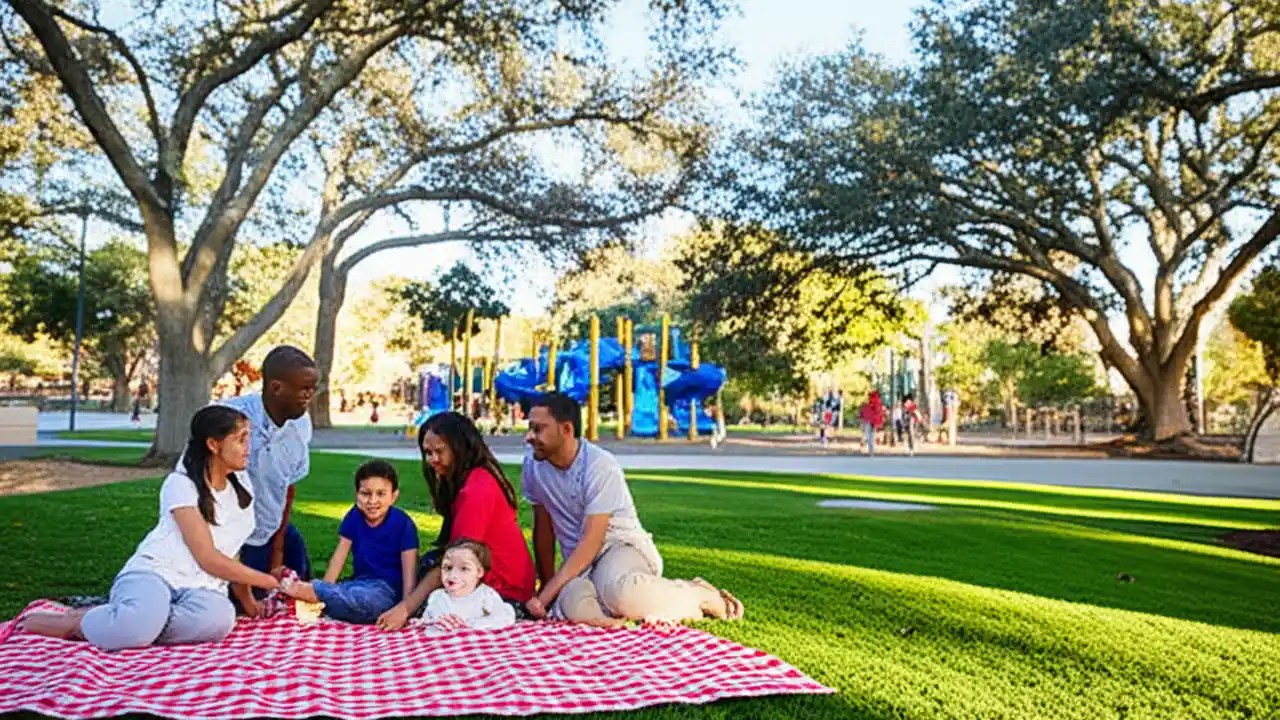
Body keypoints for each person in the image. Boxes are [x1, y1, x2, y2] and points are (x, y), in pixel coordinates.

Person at [17, 406, 279, 650]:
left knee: (220, 620)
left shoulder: (242, 488)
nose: (248, 447)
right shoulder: (181, 485)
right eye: (241, 439)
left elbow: (231, 551)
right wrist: (269, 581)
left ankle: (129, 620)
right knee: (139, 627)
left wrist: (248, 603)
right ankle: (74, 622)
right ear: (213, 444)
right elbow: (208, 558)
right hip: (155, 573)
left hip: (201, 589)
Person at [521, 393, 744, 627]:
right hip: (580, 565)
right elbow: (543, 529)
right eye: (530, 428)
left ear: (566, 430)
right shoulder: (533, 465)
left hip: (619, 548)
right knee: (571, 604)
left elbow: (591, 542)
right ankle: (609, 619)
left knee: (622, 595)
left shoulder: (599, 466)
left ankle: (698, 594)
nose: (529, 437)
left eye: (538, 429)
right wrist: (548, 592)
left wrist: (544, 596)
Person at [375, 411, 534, 630]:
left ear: (460, 447)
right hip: (490, 579)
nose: (432, 460)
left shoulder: (477, 489)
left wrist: (404, 609)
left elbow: (456, 561)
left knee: (418, 595)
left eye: (439, 451)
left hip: (503, 592)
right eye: (428, 453)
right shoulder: (472, 479)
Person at [221, 345, 318, 615]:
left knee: (297, 605)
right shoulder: (229, 419)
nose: (310, 396)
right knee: (233, 612)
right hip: (226, 535)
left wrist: (278, 549)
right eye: (304, 389)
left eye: (313, 388)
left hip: (270, 528)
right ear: (276, 388)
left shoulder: (300, 425)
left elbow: (288, 487)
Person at [281, 460, 418, 624]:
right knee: (347, 593)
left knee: (368, 603)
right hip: (357, 584)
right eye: (365, 493)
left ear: (394, 496)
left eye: (381, 494)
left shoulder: (403, 524)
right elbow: (338, 558)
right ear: (357, 494)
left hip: (387, 591)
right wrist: (326, 587)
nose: (372, 501)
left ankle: (310, 594)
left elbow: (410, 572)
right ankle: (317, 596)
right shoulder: (354, 516)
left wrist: (405, 609)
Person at [423, 539, 517, 631]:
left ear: (479, 572)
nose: (453, 575)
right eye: (448, 567)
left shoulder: (486, 596)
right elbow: (429, 622)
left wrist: (474, 625)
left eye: (464, 569)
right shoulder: (438, 597)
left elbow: (504, 618)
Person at [859, 390, 886, 456]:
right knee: (872, 435)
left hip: (868, 420)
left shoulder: (869, 402)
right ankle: (871, 452)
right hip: (874, 421)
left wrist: (862, 418)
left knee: (868, 435)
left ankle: (869, 448)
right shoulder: (878, 402)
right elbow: (879, 412)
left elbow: (864, 411)